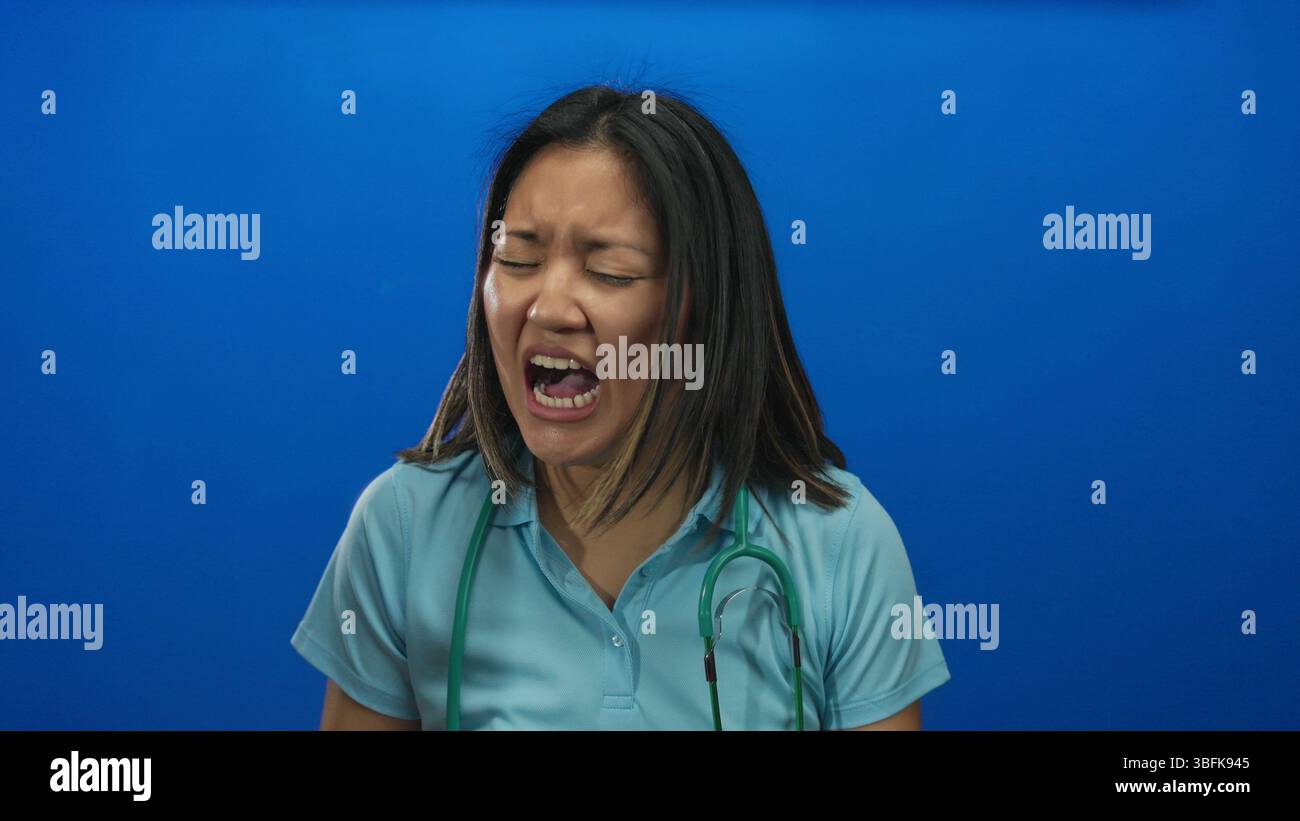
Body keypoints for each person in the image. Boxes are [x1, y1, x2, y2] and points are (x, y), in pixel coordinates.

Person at [291, 84, 951, 730]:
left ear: (705, 314)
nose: (547, 307)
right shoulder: (403, 527)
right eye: (517, 258)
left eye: (610, 273)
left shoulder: (842, 544)